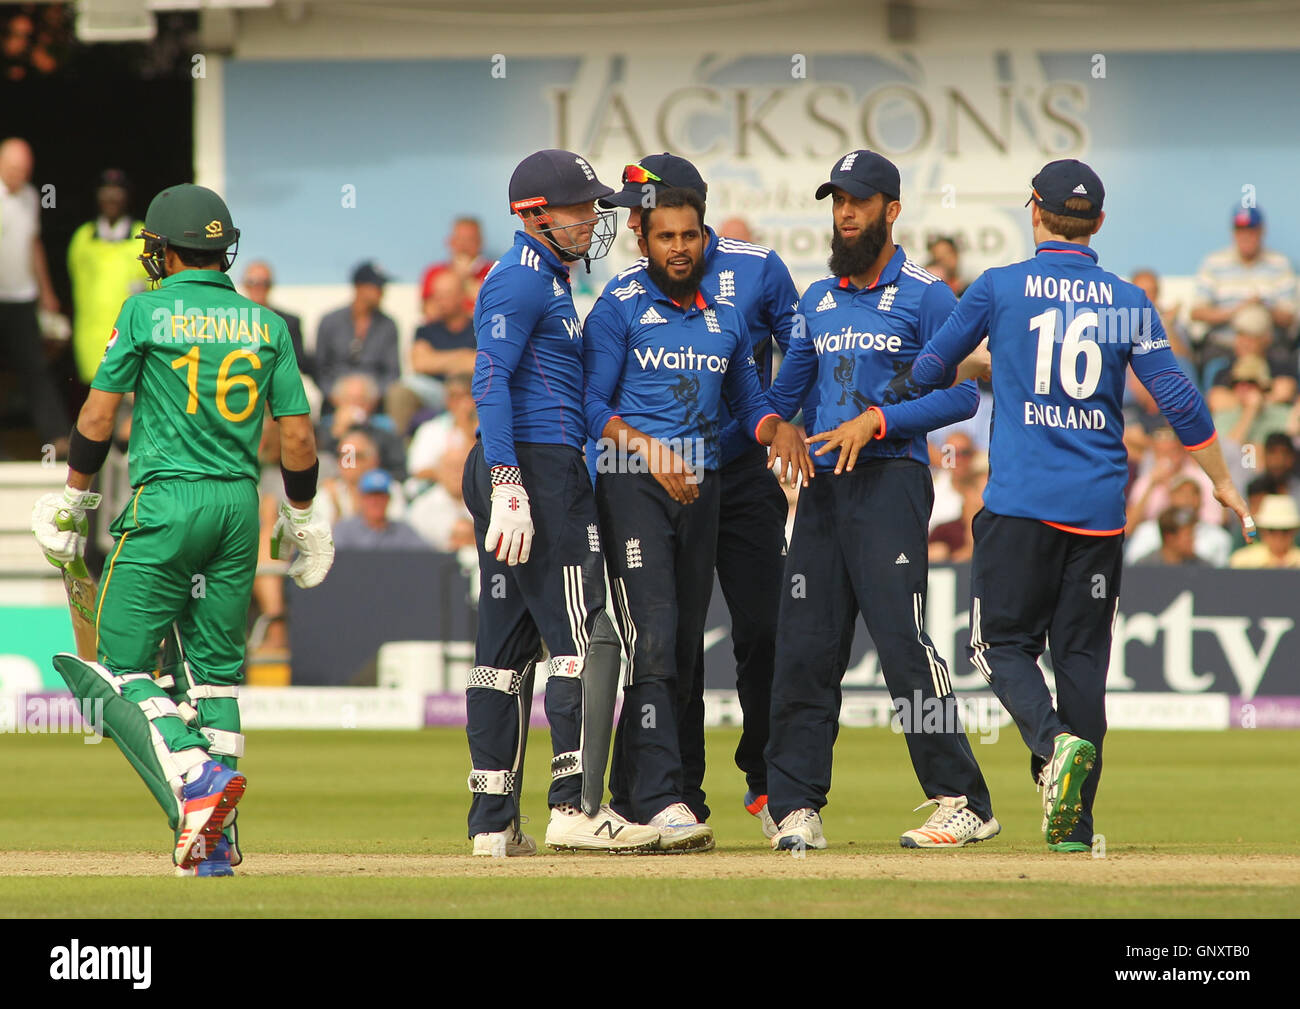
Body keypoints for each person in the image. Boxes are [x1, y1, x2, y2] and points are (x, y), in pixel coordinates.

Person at [907, 158, 1254, 852]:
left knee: (997, 643)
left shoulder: (999, 287)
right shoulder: (1128, 299)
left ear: (1032, 210)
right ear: (1098, 223)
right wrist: (1221, 478)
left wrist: (986, 365)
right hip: (1098, 513)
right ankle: (1075, 828)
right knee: (1082, 664)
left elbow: (926, 368)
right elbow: (1180, 400)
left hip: (1020, 504)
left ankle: (1052, 745)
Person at [30, 183, 334, 876]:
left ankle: (195, 775)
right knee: (218, 679)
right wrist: (305, 518)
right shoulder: (267, 324)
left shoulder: (144, 311)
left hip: (167, 501)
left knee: (114, 664)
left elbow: (99, 419)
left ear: (163, 250)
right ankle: (212, 842)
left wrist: (75, 501)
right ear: (221, 249)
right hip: (236, 508)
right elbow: (298, 438)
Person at [760, 150, 998, 852]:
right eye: (836, 202)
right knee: (805, 646)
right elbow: (783, 397)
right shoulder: (818, 298)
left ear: (892, 210)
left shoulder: (928, 295)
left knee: (901, 641)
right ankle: (797, 805)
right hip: (825, 488)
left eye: (858, 202)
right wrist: (783, 428)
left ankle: (963, 799)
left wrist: (881, 420)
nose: (845, 213)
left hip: (892, 479)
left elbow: (961, 391)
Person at [584, 185, 807, 852]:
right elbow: (592, 407)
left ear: (703, 237)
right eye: (665, 237)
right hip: (633, 484)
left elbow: (747, 399)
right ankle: (662, 797)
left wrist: (779, 429)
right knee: (654, 631)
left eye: (690, 236)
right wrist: (650, 451)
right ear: (642, 239)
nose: (680, 248)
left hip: (702, 486)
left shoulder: (724, 318)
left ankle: (638, 794)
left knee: (679, 645)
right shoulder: (617, 307)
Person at [463, 149, 660, 856]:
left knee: (505, 648)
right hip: (538, 468)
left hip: (521, 465)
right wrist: (511, 480)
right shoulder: (520, 281)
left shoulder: (543, 278)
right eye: (582, 208)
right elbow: (489, 378)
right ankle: (574, 806)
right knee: (584, 634)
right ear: (536, 214)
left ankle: (492, 824)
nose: (594, 219)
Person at [0, 137, 68, 452]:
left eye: (25, 170)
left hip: (22, 297)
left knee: (35, 368)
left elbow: (34, 245)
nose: (20, 176)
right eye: (14, 169)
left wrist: (47, 292)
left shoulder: (30, 196)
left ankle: (56, 436)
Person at [66, 169, 148, 384]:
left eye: (117, 192)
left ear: (127, 196)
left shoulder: (143, 236)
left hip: (132, 345)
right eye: (105, 191)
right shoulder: (83, 237)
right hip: (91, 345)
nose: (111, 198)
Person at [1190, 207, 1296, 352]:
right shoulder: (1214, 262)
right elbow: (1197, 312)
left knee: (1284, 370)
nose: (1245, 236)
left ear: (1262, 231)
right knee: (1214, 369)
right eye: (1240, 231)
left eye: (1251, 230)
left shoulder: (1280, 264)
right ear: (1233, 233)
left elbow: (1289, 318)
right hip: (1224, 345)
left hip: (1268, 347)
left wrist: (1263, 308)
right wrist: (1236, 311)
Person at [314, 261, 401, 400]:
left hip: (374, 402)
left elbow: (393, 372)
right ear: (359, 287)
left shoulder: (388, 325)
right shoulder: (330, 321)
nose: (381, 292)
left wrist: (372, 396)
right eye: (376, 286)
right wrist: (334, 395)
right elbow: (319, 368)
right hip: (335, 399)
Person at [1125, 476, 1232, 567]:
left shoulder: (1203, 566)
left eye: (1193, 494)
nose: (1187, 499)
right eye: (1187, 535)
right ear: (1170, 537)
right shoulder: (1146, 565)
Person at [240, 260, 312, 382]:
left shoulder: (289, 323)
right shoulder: (231, 320)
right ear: (245, 285)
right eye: (253, 282)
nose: (259, 287)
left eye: (265, 283)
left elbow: (299, 364)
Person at [332, 469, 430, 550]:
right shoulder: (344, 531)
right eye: (370, 497)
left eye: (380, 497)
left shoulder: (403, 532)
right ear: (361, 499)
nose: (375, 502)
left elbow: (427, 557)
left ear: (388, 499)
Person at [419, 216, 492, 321]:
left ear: (480, 243)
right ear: (450, 242)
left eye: (469, 240)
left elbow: (492, 310)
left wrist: (466, 280)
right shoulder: (434, 272)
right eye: (459, 239)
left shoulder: (493, 272)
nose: (463, 246)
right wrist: (455, 277)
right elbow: (429, 311)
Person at [1230, 495, 1300, 568]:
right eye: (1272, 530)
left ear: (1294, 531)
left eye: (1285, 530)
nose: (1278, 536)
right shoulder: (1243, 561)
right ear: (1263, 531)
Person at [1132, 507, 1206, 567]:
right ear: (1170, 538)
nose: (1193, 538)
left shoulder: (1202, 568)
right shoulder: (1145, 567)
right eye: (1188, 535)